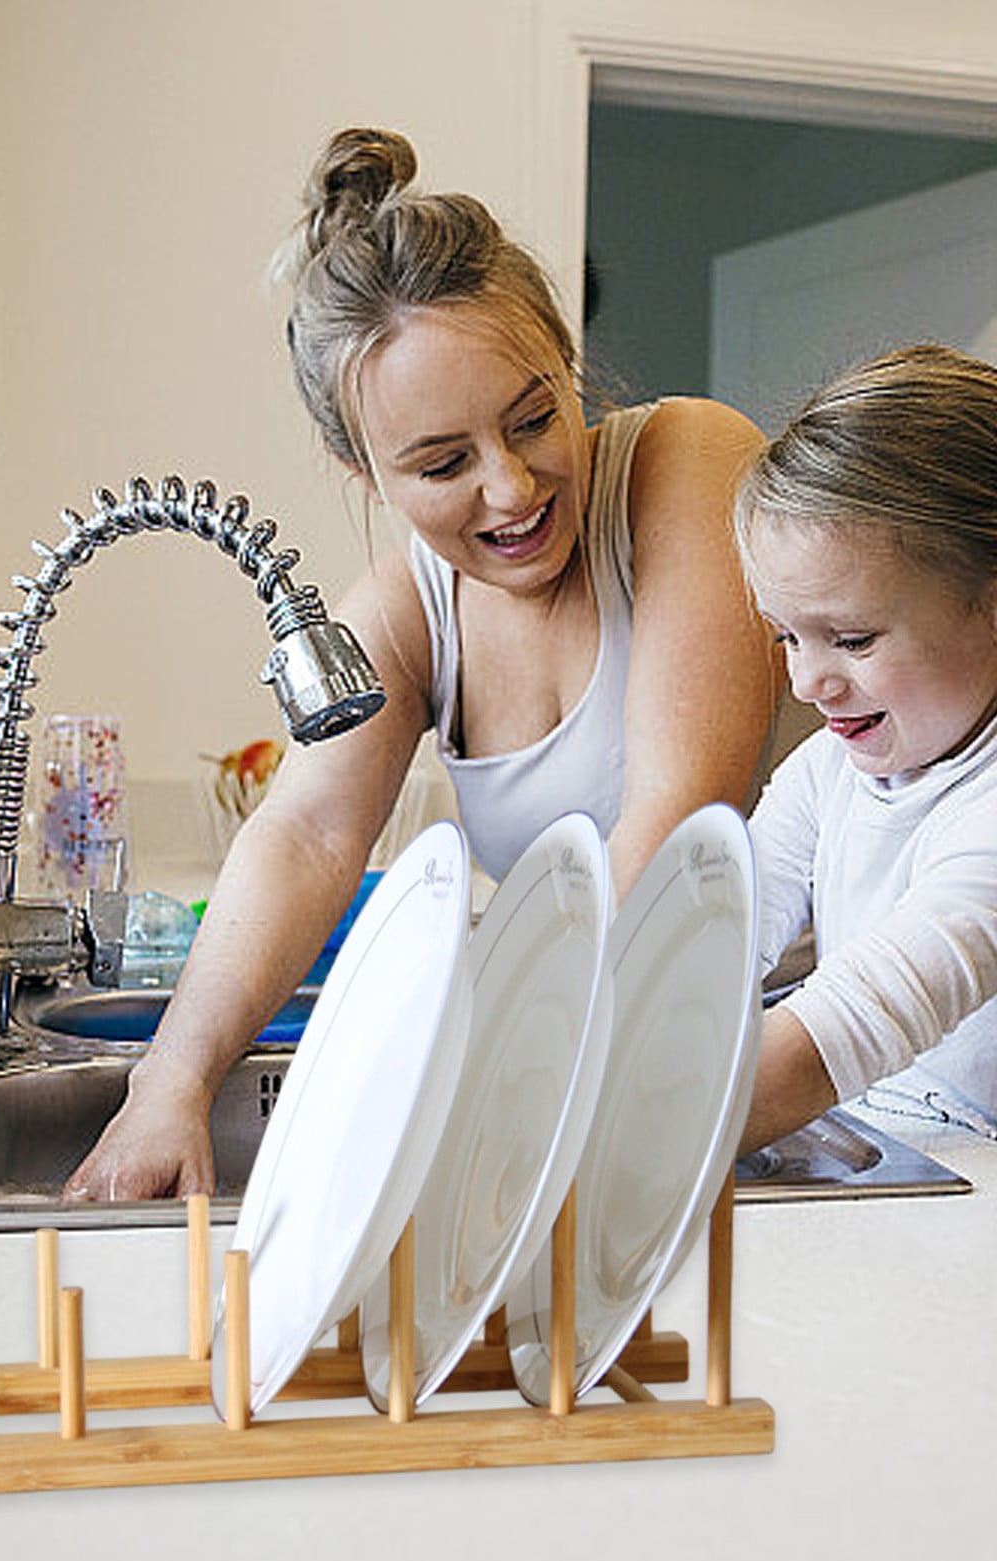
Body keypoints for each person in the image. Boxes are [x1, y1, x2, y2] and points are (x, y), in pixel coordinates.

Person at [66, 127, 775, 1201]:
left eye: (535, 418)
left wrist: (502, 1071)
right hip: (610, 1084)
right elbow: (304, 836)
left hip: (800, 1068)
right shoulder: (402, 611)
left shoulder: (684, 466)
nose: (511, 488)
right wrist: (170, 1078)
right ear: (361, 470)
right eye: (442, 463)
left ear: (566, 361)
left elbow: (675, 818)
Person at [737, 344, 997, 1154]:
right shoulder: (827, 770)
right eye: (788, 636)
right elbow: (712, 933)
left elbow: (844, 1027)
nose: (810, 682)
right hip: (895, 1139)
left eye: (851, 639)